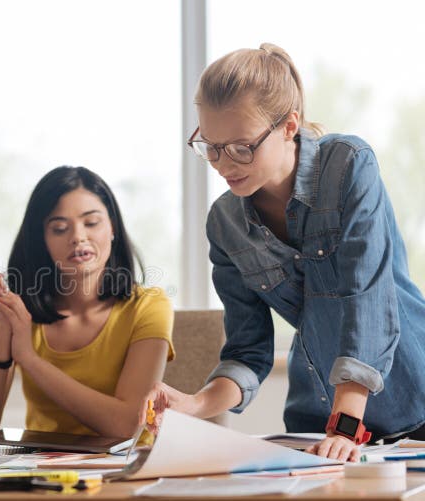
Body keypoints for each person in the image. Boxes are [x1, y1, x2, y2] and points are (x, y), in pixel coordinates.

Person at [147, 43, 425, 464]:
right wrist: (193, 405)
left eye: (242, 147)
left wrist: (347, 425)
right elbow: (247, 350)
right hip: (316, 414)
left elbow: (365, 298)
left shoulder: (349, 165)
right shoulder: (225, 223)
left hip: (409, 397)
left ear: (289, 126)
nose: (224, 164)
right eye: (211, 146)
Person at [0, 166, 174, 446]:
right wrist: (5, 331)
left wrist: (29, 359)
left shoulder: (149, 306)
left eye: (91, 222)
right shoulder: (17, 310)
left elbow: (126, 426)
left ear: (112, 228)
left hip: (124, 472)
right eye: (60, 228)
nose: (77, 236)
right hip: (42, 475)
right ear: (42, 240)